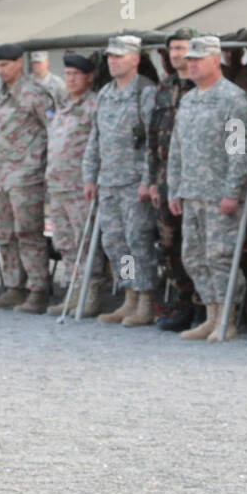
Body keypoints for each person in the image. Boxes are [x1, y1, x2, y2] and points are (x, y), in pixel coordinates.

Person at [167, 36, 247, 342]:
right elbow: (176, 148)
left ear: (216, 61)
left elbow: (242, 150)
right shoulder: (189, 99)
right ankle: (210, 314)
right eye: (188, 60)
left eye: (197, 59)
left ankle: (227, 317)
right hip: (192, 193)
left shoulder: (234, 99)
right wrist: (174, 189)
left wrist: (233, 191)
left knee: (221, 256)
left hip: (220, 195)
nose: (191, 64)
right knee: (193, 256)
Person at [82, 35, 158, 326]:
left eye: (119, 56)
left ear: (135, 59)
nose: (113, 61)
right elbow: (95, 138)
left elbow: (154, 141)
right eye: (111, 57)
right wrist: (90, 176)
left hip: (133, 181)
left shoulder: (145, 92)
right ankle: (129, 295)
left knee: (137, 240)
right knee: (115, 243)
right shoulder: (105, 94)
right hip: (109, 181)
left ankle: (145, 300)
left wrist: (147, 180)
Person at [0, 42, 54, 314]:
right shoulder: (0, 95)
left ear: (19, 62)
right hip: (1, 172)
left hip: (27, 174)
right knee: (2, 231)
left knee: (28, 232)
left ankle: (38, 289)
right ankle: (14, 286)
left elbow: (53, 130)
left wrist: (45, 168)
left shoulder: (36, 94)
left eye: (5, 65)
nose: (0, 71)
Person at [147, 28, 200, 332]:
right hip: (166, 179)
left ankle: (204, 306)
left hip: (197, 180)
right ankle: (183, 302)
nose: (178, 54)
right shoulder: (165, 87)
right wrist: (153, 180)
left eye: (184, 48)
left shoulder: (205, 86)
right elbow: (153, 135)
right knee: (168, 245)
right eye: (174, 49)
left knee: (196, 246)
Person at [45, 53, 102, 318]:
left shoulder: (95, 105)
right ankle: (73, 292)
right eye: (67, 74)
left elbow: (98, 145)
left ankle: (90, 295)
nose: (70, 79)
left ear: (89, 77)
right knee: (65, 242)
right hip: (58, 185)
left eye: (76, 74)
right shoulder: (64, 104)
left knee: (85, 241)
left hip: (81, 186)